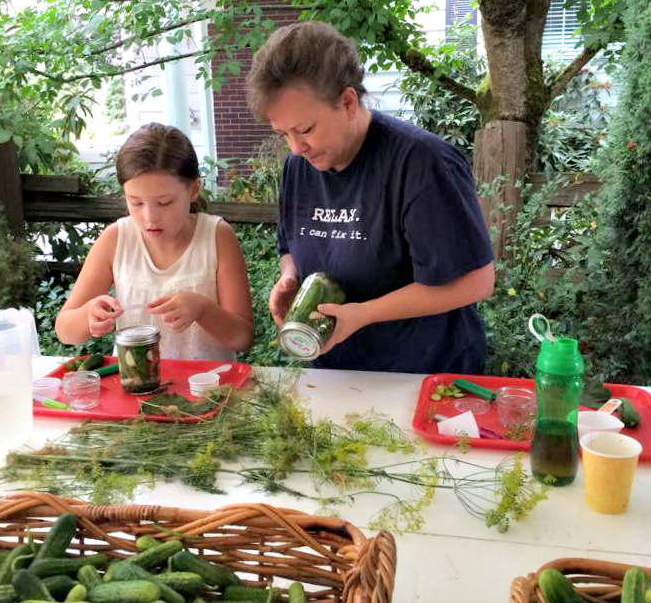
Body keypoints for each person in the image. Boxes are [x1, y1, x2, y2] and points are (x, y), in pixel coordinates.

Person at [246, 21, 495, 374]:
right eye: (282, 133)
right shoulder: (297, 167)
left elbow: (476, 281)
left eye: (305, 129)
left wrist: (363, 315)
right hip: (338, 373)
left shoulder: (422, 163)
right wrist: (289, 278)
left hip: (426, 375)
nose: (296, 147)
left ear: (348, 102)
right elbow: (289, 246)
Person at [55, 123, 254, 360]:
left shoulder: (216, 235)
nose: (149, 217)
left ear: (193, 190)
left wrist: (203, 308)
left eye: (164, 202)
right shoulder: (116, 239)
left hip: (211, 388)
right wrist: (88, 315)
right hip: (137, 386)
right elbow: (65, 330)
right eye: (136, 202)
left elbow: (243, 337)